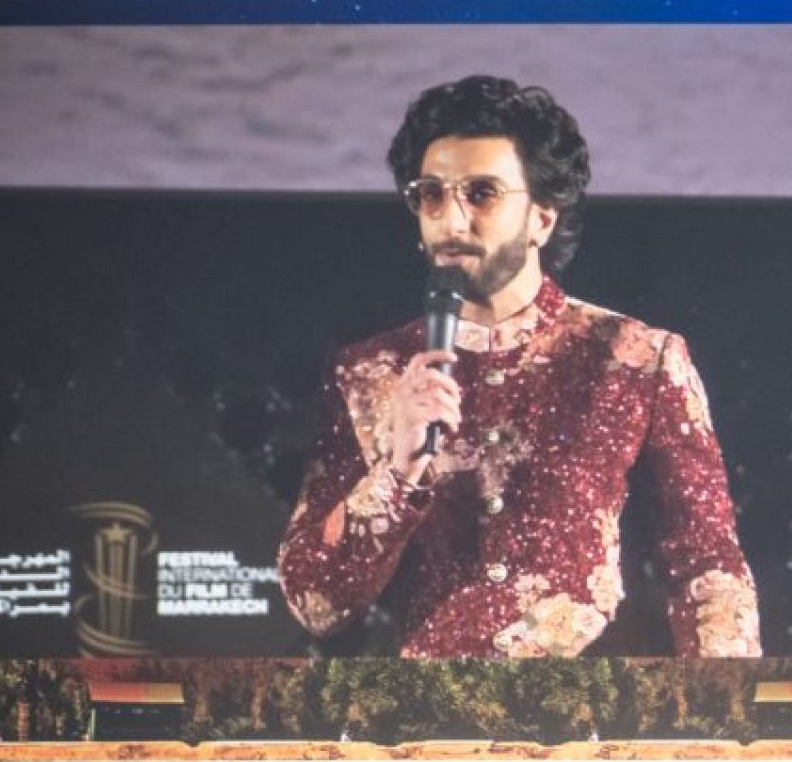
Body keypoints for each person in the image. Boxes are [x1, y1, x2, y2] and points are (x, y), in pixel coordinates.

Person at [278, 74, 760, 658]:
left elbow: (707, 565)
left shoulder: (635, 358)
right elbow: (314, 602)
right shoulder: (370, 374)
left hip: (593, 705)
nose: (451, 221)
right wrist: (397, 474)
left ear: (543, 217)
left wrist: (719, 707)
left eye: (481, 193)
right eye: (431, 195)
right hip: (426, 711)